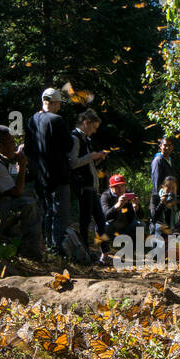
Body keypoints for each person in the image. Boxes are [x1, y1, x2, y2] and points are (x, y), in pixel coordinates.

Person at [0, 126, 42, 259]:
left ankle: (12, 244)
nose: (14, 147)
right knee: (28, 204)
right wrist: (23, 165)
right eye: (12, 143)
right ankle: (31, 253)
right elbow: (17, 192)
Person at [27, 87, 71, 256]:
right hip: (59, 174)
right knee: (60, 212)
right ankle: (57, 248)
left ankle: (45, 244)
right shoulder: (57, 120)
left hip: (41, 175)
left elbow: (29, 149)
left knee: (45, 211)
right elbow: (68, 145)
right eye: (59, 103)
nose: (59, 106)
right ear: (53, 103)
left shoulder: (32, 120)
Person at [69, 108, 110, 264]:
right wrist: (91, 156)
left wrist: (96, 158)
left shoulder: (85, 139)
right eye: (93, 128)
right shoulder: (75, 138)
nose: (94, 132)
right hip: (83, 187)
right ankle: (85, 253)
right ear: (86, 123)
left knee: (100, 220)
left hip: (91, 187)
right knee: (85, 221)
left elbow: (85, 162)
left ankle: (104, 254)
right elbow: (73, 163)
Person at [101, 174, 141, 240]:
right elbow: (105, 216)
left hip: (126, 226)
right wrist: (117, 206)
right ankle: (111, 240)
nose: (120, 189)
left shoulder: (129, 194)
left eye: (122, 186)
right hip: (112, 227)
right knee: (103, 226)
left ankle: (135, 244)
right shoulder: (105, 196)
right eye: (116, 187)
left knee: (141, 225)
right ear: (110, 187)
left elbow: (141, 216)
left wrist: (136, 207)